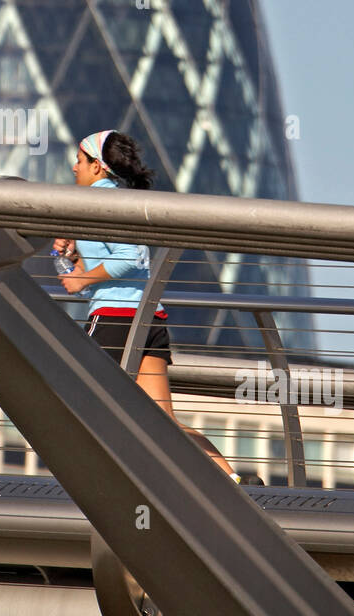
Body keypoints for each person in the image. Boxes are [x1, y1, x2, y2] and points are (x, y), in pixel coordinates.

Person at [54, 129, 253, 482]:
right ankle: (232, 482)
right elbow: (118, 264)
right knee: (163, 419)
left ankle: (111, 487)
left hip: (116, 318)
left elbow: (129, 260)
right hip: (148, 316)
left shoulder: (99, 204)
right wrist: (72, 260)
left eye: (80, 160)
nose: (74, 167)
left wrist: (83, 278)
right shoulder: (117, 203)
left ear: (98, 167)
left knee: (77, 399)